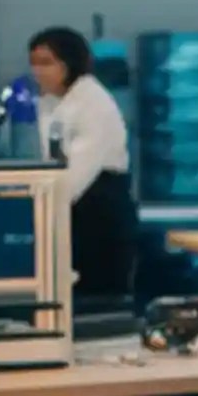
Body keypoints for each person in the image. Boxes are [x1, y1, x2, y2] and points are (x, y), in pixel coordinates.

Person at [28, 26, 137, 299]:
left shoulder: (93, 102)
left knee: (98, 297)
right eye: (34, 64)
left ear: (69, 63)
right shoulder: (50, 103)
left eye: (46, 63)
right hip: (70, 208)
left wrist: (42, 207)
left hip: (99, 208)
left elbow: (78, 174)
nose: (38, 71)